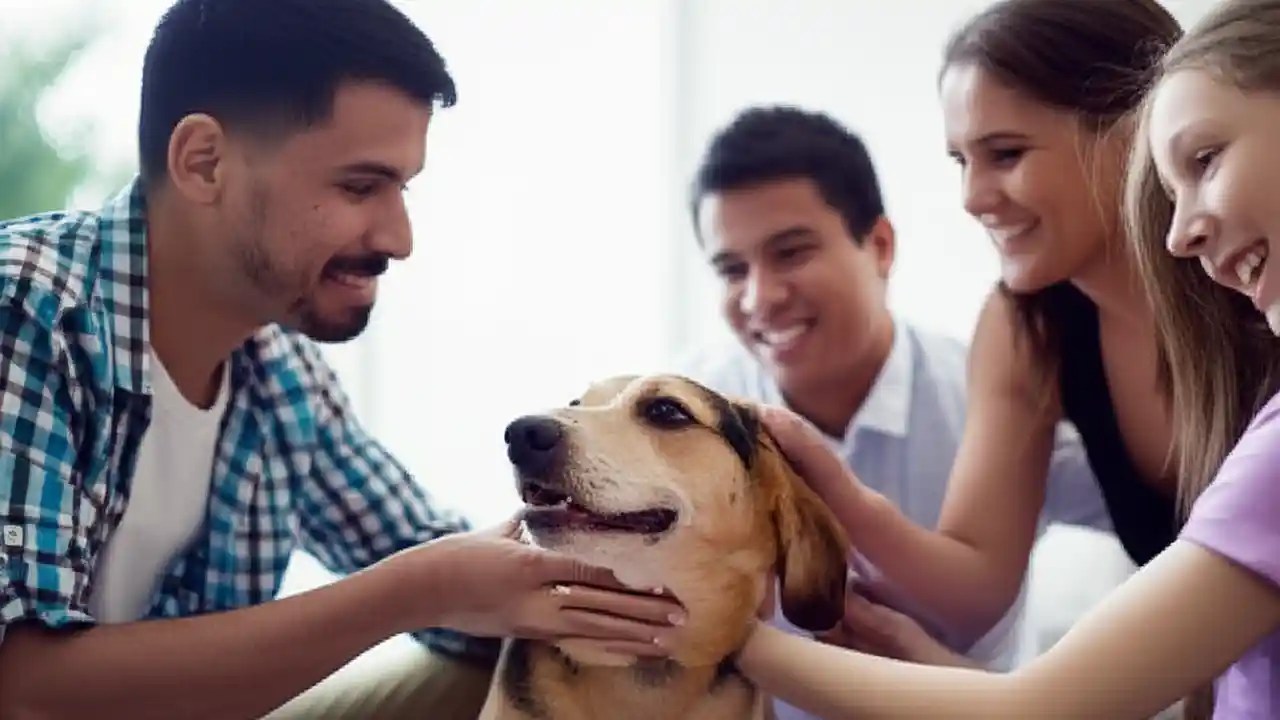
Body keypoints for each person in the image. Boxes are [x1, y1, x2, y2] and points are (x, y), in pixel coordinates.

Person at [0, 1, 682, 718]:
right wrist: (422, 589)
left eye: (402, 189)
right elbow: (24, 684)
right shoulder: (29, 310)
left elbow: (432, 554)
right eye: (359, 187)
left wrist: (661, 575)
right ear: (204, 163)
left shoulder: (277, 370)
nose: (398, 237)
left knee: (514, 673)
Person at [731, 0, 1280, 715]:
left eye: (1007, 154)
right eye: (962, 160)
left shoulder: (1256, 286)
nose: (971, 197)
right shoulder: (1028, 328)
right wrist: (838, 495)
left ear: (1130, 131)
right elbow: (976, 588)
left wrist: (726, 636)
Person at [678, 105, 1110, 695]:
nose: (761, 297)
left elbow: (1172, 524)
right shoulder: (684, 413)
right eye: (731, 269)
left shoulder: (992, 405)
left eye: (791, 253)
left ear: (880, 245)